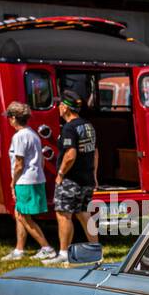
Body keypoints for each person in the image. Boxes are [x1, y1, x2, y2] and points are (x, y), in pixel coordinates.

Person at [0, 101, 56, 262]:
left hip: (25, 180)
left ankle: (46, 247)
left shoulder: (19, 136)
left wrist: (13, 182)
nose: (9, 120)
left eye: (9, 117)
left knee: (23, 216)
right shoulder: (33, 134)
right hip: (36, 178)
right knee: (20, 213)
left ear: (13, 118)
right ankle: (19, 249)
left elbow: (19, 163)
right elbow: (43, 161)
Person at [53, 94, 98, 262]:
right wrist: (94, 175)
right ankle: (95, 249)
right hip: (87, 178)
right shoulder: (88, 125)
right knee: (84, 213)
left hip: (71, 180)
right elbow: (95, 151)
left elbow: (70, 154)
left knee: (63, 213)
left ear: (65, 107)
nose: (58, 108)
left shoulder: (69, 128)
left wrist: (60, 174)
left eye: (59, 105)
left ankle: (64, 253)